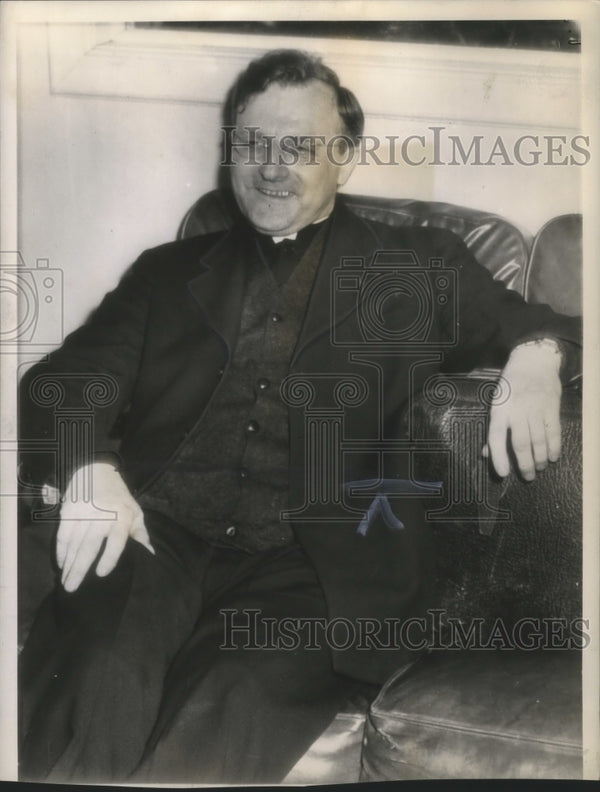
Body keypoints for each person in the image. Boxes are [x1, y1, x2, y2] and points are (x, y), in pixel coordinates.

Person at [18, 49, 581, 784]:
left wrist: (538, 358)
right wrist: (90, 466)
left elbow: (549, 320)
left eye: (300, 147)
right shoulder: (166, 272)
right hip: (157, 534)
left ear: (343, 159)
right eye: (252, 144)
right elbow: (63, 380)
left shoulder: (414, 267)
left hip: (318, 569)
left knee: (226, 704)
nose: (272, 166)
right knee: (99, 673)